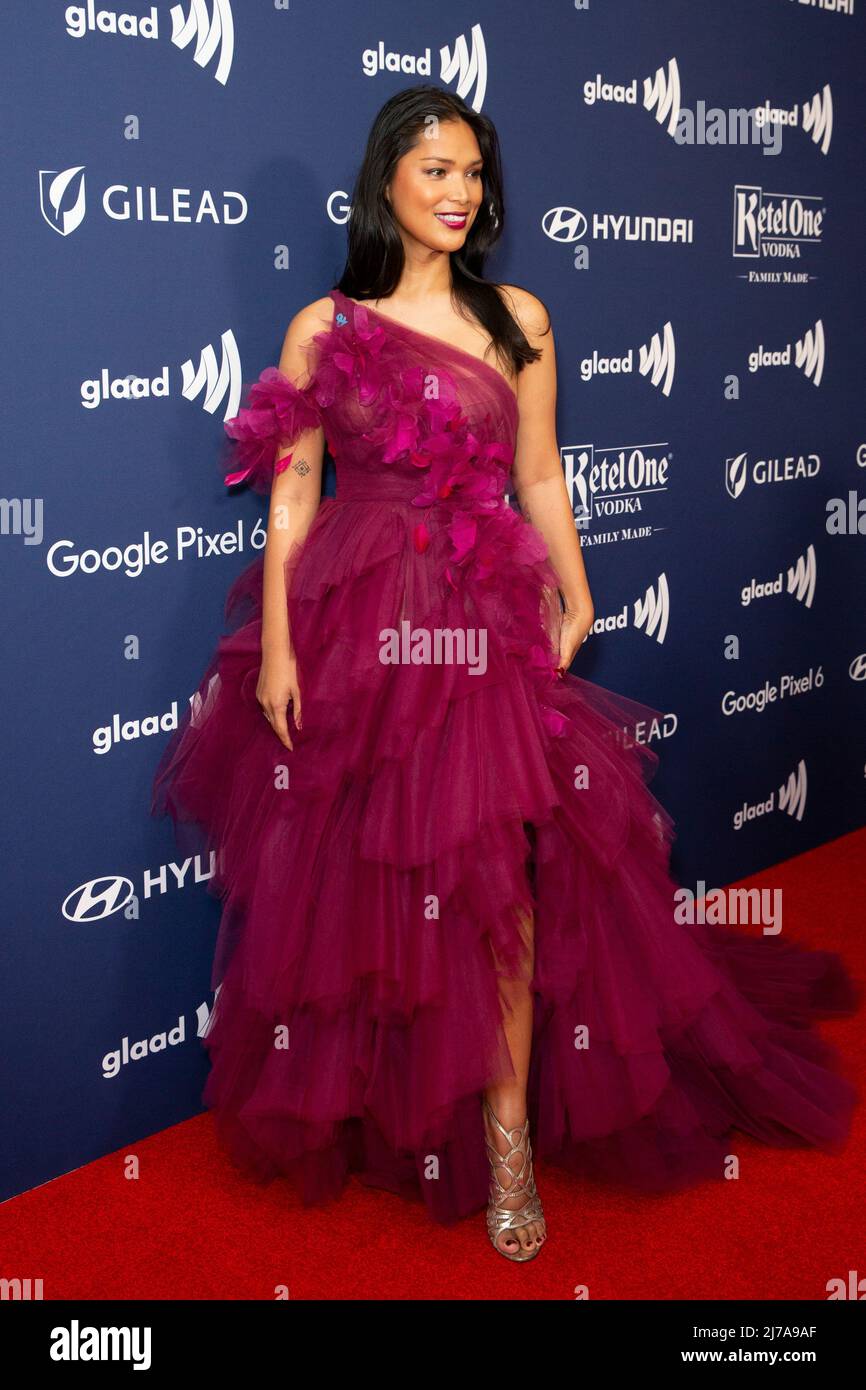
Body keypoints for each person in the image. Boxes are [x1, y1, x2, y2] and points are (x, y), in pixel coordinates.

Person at [152, 84, 861, 1264]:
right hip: (359, 621)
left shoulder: (518, 315)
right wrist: (277, 643)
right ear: (386, 179)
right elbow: (290, 495)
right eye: (435, 169)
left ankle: (508, 1136)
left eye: (473, 173)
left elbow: (536, 475)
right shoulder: (321, 329)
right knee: (365, 878)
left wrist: (573, 581)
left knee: (500, 889)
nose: (458, 192)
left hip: (481, 625)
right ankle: (400, 1103)